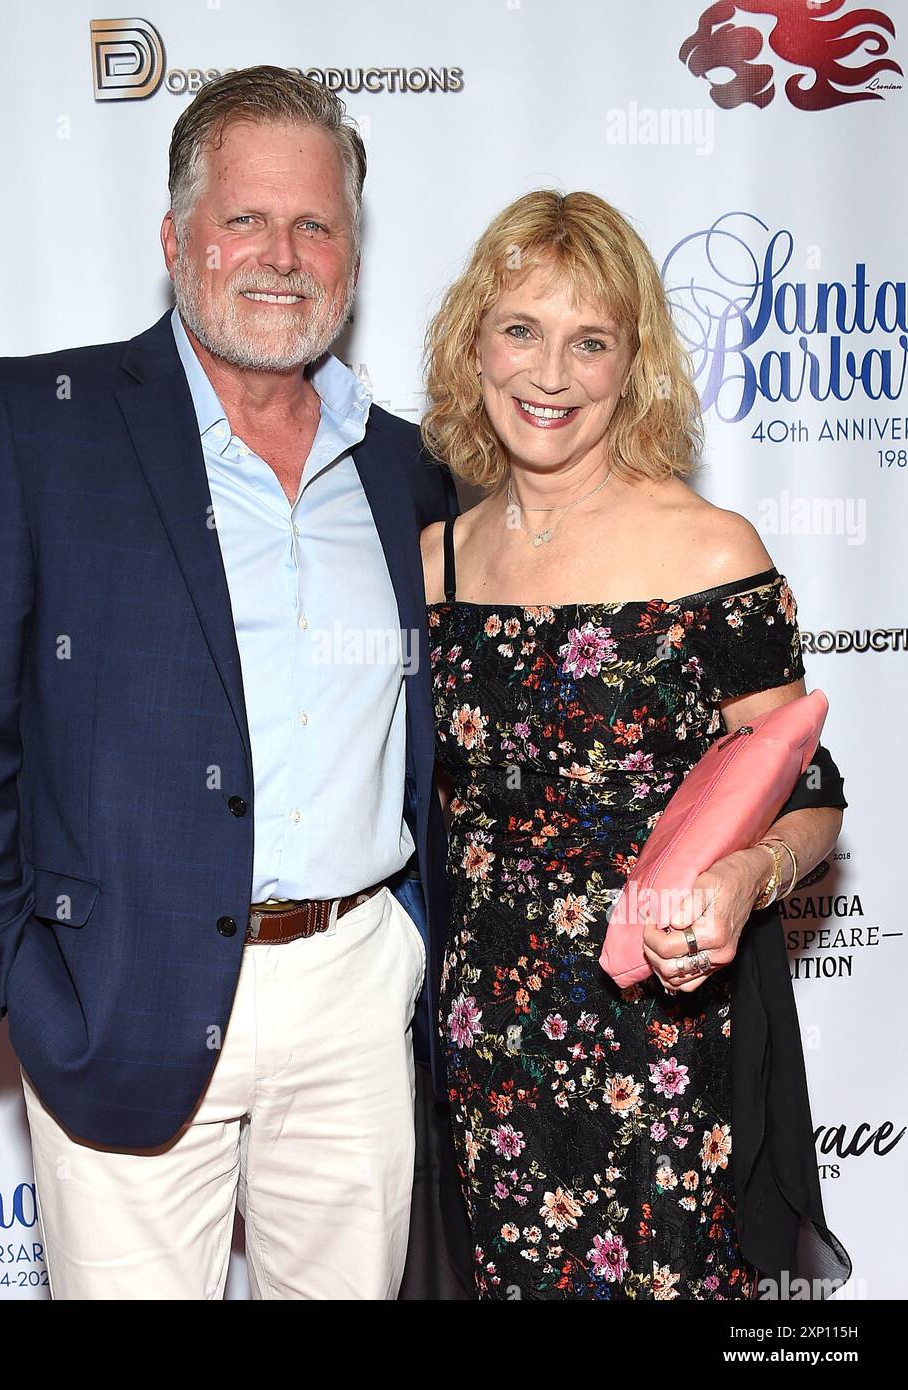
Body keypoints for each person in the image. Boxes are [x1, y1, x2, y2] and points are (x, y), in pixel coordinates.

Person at [0, 66, 460, 1300]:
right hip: (118, 991)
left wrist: (407, 946)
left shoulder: (406, 467)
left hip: (356, 992)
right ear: (176, 238)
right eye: (245, 218)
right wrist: (14, 968)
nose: (282, 255)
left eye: (316, 223)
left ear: (353, 250)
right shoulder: (34, 421)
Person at [419, 189, 851, 1300]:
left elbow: (807, 783)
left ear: (633, 365)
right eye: (520, 329)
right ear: (474, 345)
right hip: (486, 1046)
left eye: (589, 341)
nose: (549, 373)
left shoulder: (708, 549)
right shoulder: (432, 564)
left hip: (662, 1034)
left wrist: (751, 872)